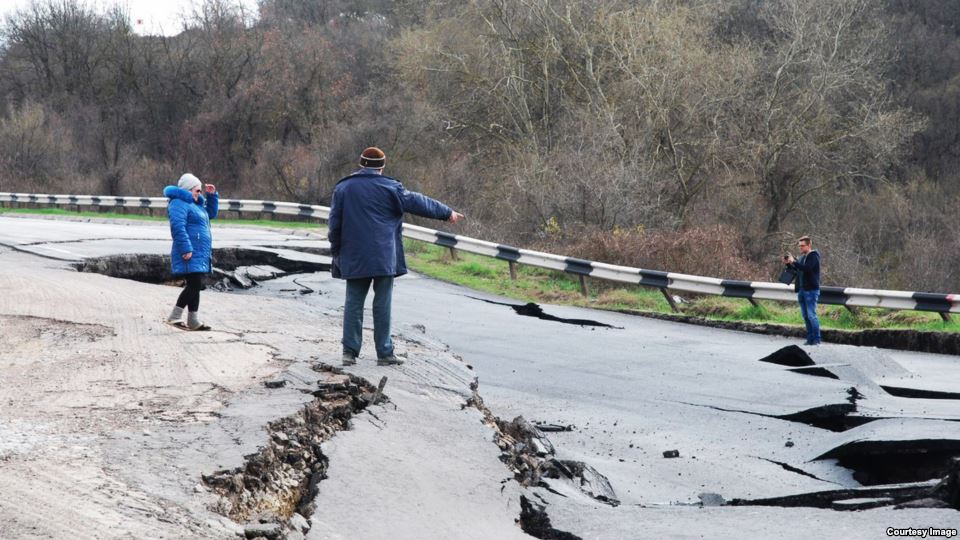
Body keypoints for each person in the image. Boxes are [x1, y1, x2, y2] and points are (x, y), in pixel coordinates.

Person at [328, 147, 464, 366]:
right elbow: (420, 202)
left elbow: (334, 222)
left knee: (353, 302)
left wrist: (336, 249)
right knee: (382, 303)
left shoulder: (344, 188)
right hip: (383, 256)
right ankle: (384, 353)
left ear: (361, 164)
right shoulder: (392, 188)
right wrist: (447, 212)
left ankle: (349, 352)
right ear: (382, 166)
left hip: (354, 254)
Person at [164, 173, 219, 330]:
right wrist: (186, 248)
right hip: (189, 251)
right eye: (197, 190)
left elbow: (211, 214)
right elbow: (177, 227)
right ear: (188, 189)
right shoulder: (178, 203)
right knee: (195, 284)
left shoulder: (196, 204)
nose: (199, 193)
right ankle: (174, 317)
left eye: (200, 191)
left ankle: (193, 321)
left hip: (199, 252)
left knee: (196, 284)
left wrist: (212, 195)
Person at [783, 236, 821, 346]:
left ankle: (817, 339)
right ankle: (810, 339)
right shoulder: (802, 257)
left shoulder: (814, 256)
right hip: (802, 290)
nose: (800, 247)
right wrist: (789, 263)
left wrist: (794, 262)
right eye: (799, 246)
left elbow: (807, 269)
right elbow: (798, 270)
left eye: (802, 246)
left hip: (811, 290)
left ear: (809, 245)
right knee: (805, 316)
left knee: (811, 315)